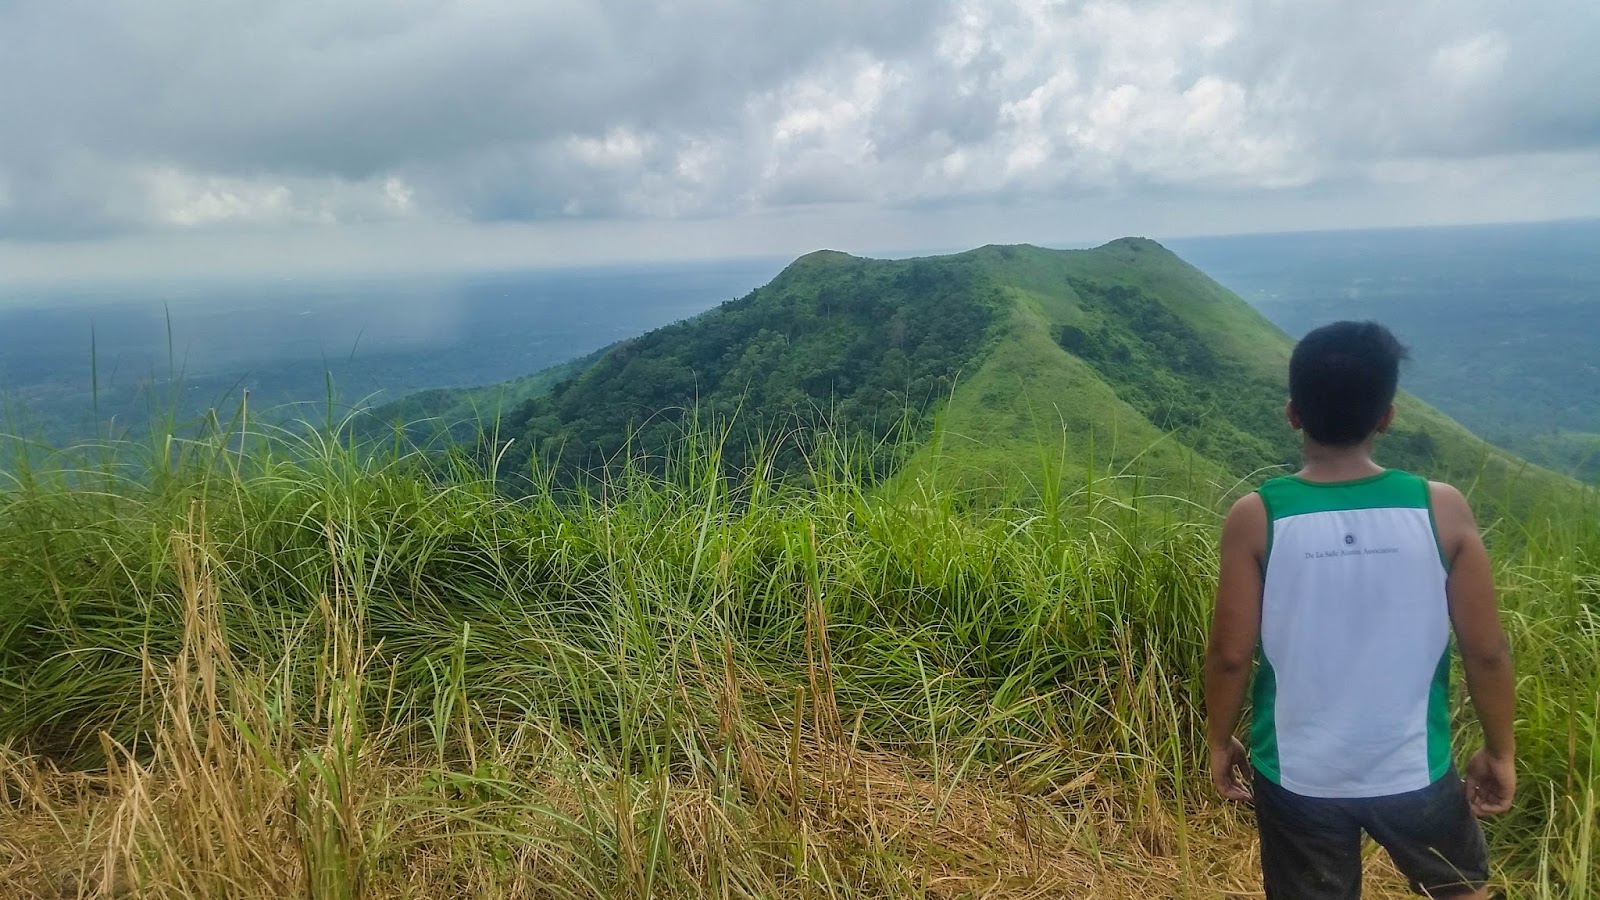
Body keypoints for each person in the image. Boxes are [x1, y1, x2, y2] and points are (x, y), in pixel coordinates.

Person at [1204, 321, 1516, 899]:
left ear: (1292, 413)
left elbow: (1229, 656)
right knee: (1462, 891)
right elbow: (1488, 651)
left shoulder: (1256, 516)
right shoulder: (1439, 508)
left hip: (1299, 776)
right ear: (1387, 416)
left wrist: (1220, 741)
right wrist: (1500, 750)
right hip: (1414, 770)